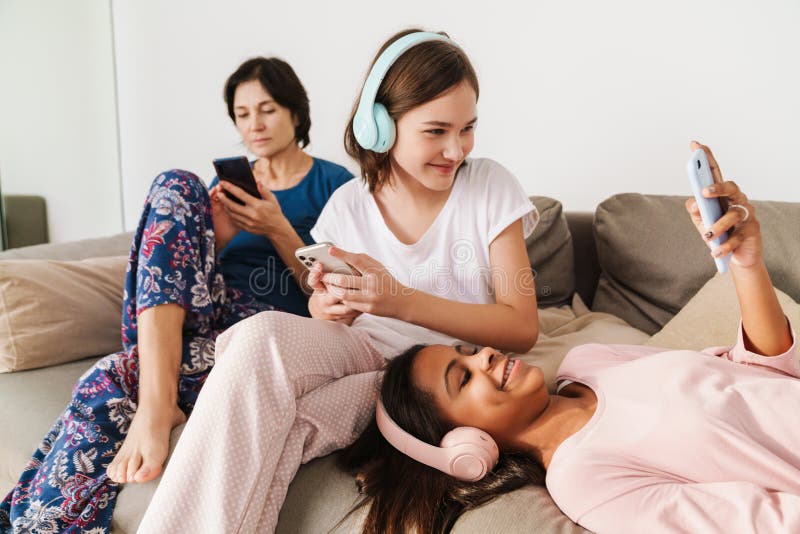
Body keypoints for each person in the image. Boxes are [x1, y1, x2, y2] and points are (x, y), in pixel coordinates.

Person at [136, 29, 540, 532]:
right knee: (260, 335)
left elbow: (522, 325)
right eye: (436, 131)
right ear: (380, 128)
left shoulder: (488, 186)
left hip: (430, 376)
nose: (455, 149)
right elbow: (322, 308)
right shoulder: (347, 204)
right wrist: (325, 309)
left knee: (290, 424)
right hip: (362, 350)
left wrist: (400, 301)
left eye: (468, 128)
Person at [343, 142, 800, 534]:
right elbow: (756, 523)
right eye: (462, 379)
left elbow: (755, 371)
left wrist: (746, 263)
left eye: (468, 351)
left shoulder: (588, 361)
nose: (483, 356)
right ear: (465, 445)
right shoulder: (583, 479)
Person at [0, 56, 353, 533]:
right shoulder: (229, 182)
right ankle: (160, 398)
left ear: (295, 112)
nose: (255, 125)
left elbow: (335, 290)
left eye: (267, 110)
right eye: (243, 114)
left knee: (110, 376)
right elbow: (188, 263)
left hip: (260, 326)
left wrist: (277, 228)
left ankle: (31, 523)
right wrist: (217, 235)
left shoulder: (335, 186)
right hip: (199, 308)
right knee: (175, 183)